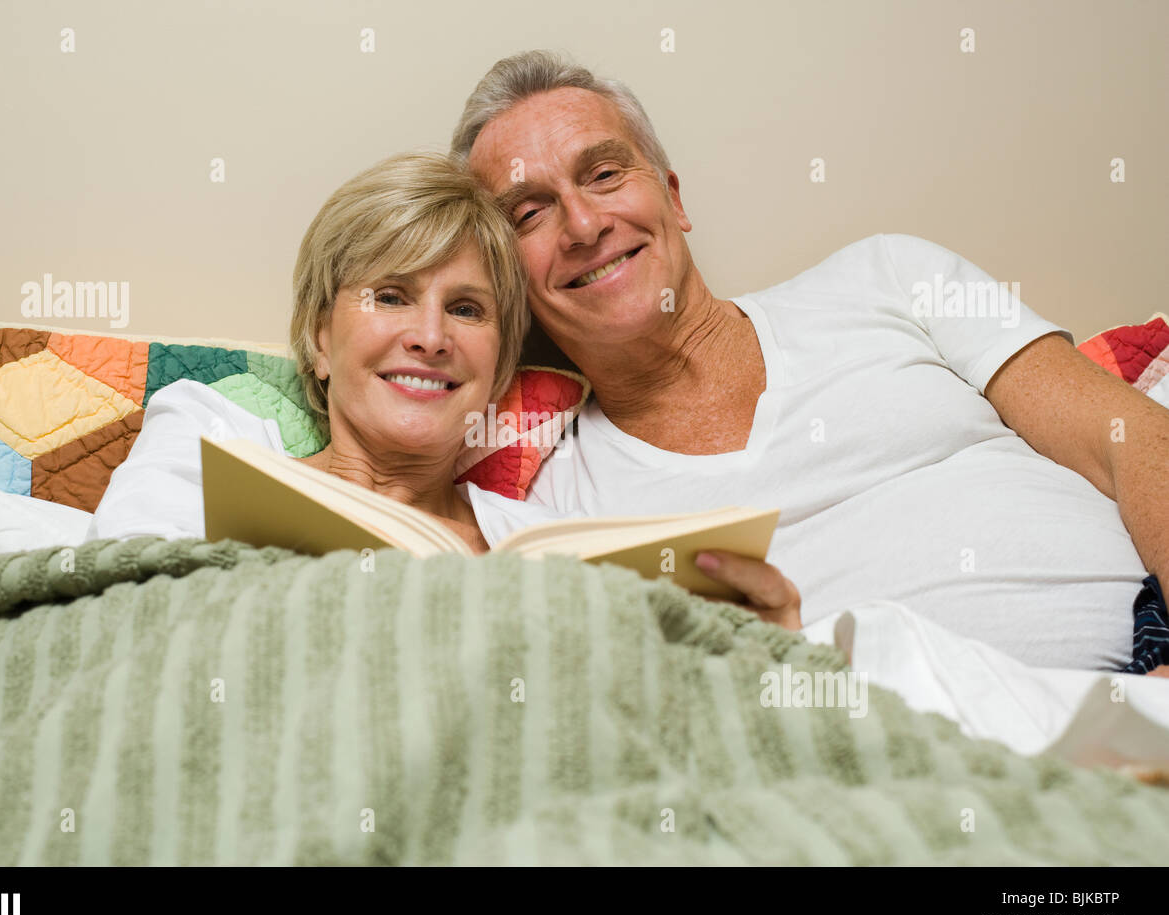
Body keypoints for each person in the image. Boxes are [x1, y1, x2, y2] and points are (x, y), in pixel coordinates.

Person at [449, 49, 1169, 670]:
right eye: (529, 214)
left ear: (673, 197)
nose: (583, 224)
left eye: (604, 174)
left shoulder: (887, 277)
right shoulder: (557, 509)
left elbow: (1129, 439)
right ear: (507, 278)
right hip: (913, 774)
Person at [89, 152, 572, 551]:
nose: (431, 336)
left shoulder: (543, 544)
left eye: (466, 309)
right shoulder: (207, 445)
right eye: (390, 297)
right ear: (321, 337)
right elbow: (129, 610)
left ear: (500, 364)